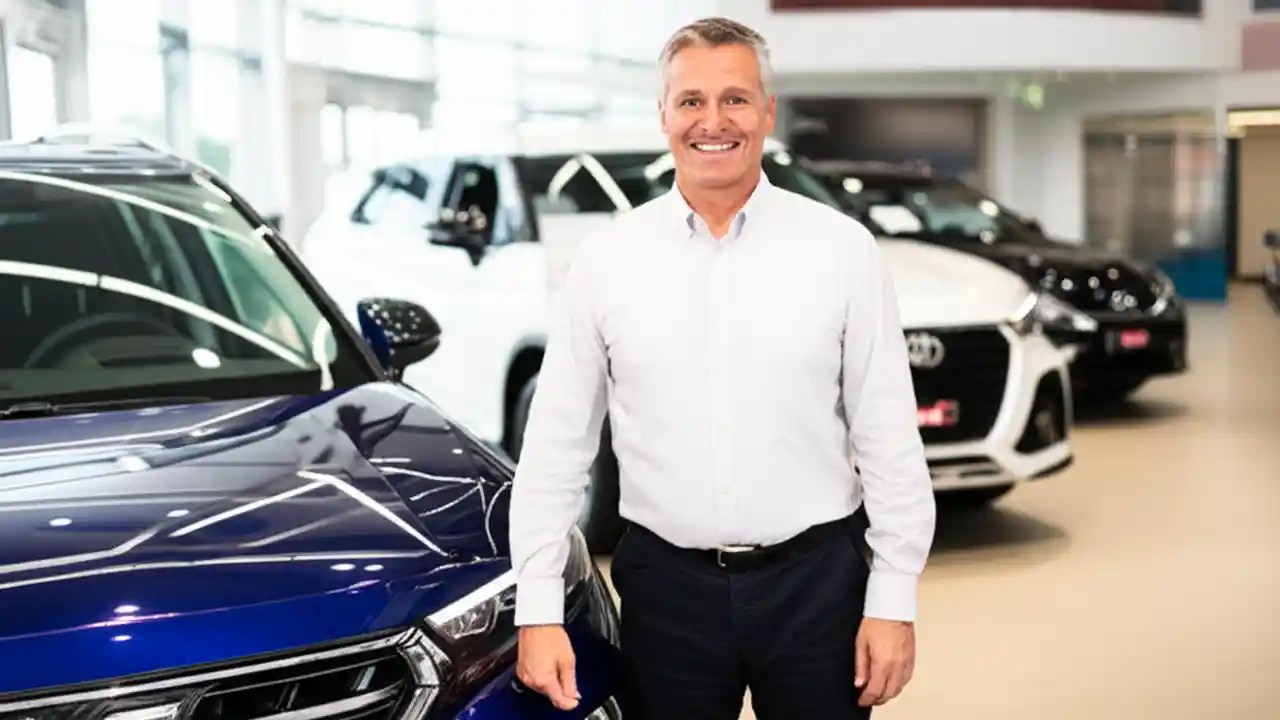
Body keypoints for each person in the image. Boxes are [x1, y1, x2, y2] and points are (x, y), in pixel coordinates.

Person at [508, 16, 936, 719]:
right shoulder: (607, 260)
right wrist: (540, 607)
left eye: (735, 99)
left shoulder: (842, 250)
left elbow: (887, 436)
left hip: (818, 587)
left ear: (767, 111)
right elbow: (555, 449)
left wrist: (893, 598)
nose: (713, 121)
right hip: (664, 590)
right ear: (664, 115)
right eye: (691, 101)